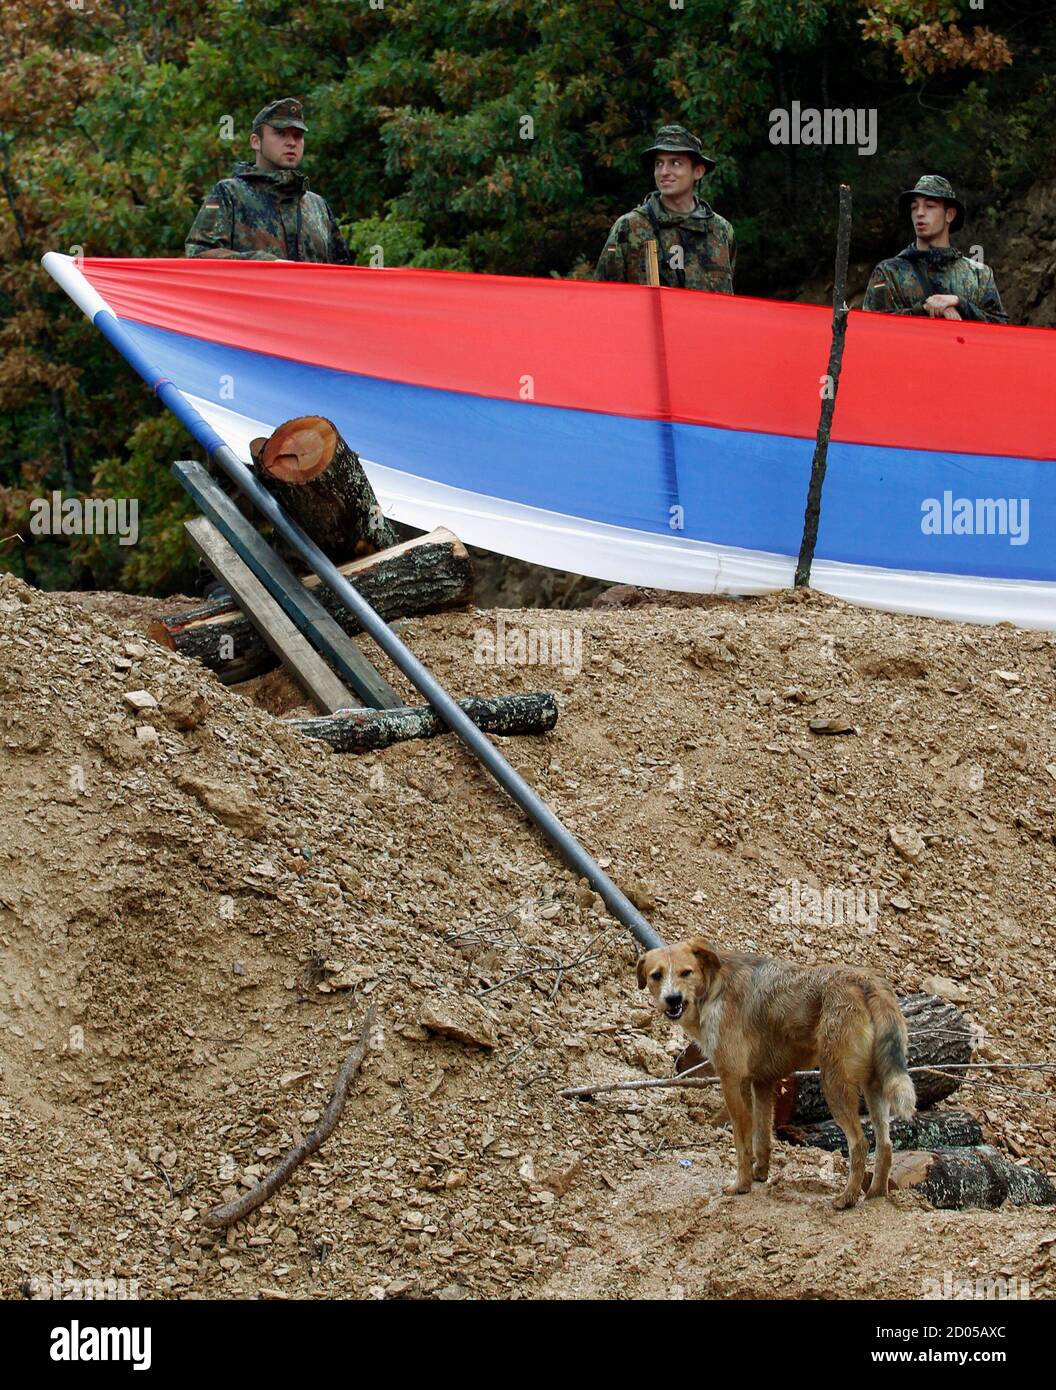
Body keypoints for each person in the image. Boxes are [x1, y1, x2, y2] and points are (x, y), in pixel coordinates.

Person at [184, 97, 351, 263]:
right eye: (280, 134)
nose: (291, 143)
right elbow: (199, 254)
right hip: (251, 290)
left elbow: (341, 273)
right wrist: (263, 263)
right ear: (256, 142)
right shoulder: (230, 194)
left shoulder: (317, 205)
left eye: (298, 136)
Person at [594, 124, 735, 292]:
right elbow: (605, 296)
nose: (664, 171)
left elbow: (726, 302)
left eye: (675, 163)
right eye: (659, 164)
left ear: (698, 171)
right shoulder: (630, 227)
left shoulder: (721, 231)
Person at [862, 174, 1007, 323]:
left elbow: (1001, 330)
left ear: (949, 215)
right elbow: (874, 326)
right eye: (914, 207)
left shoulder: (978, 275)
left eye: (929, 206)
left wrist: (960, 304)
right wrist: (925, 309)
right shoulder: (889, 272)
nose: (920, 213)